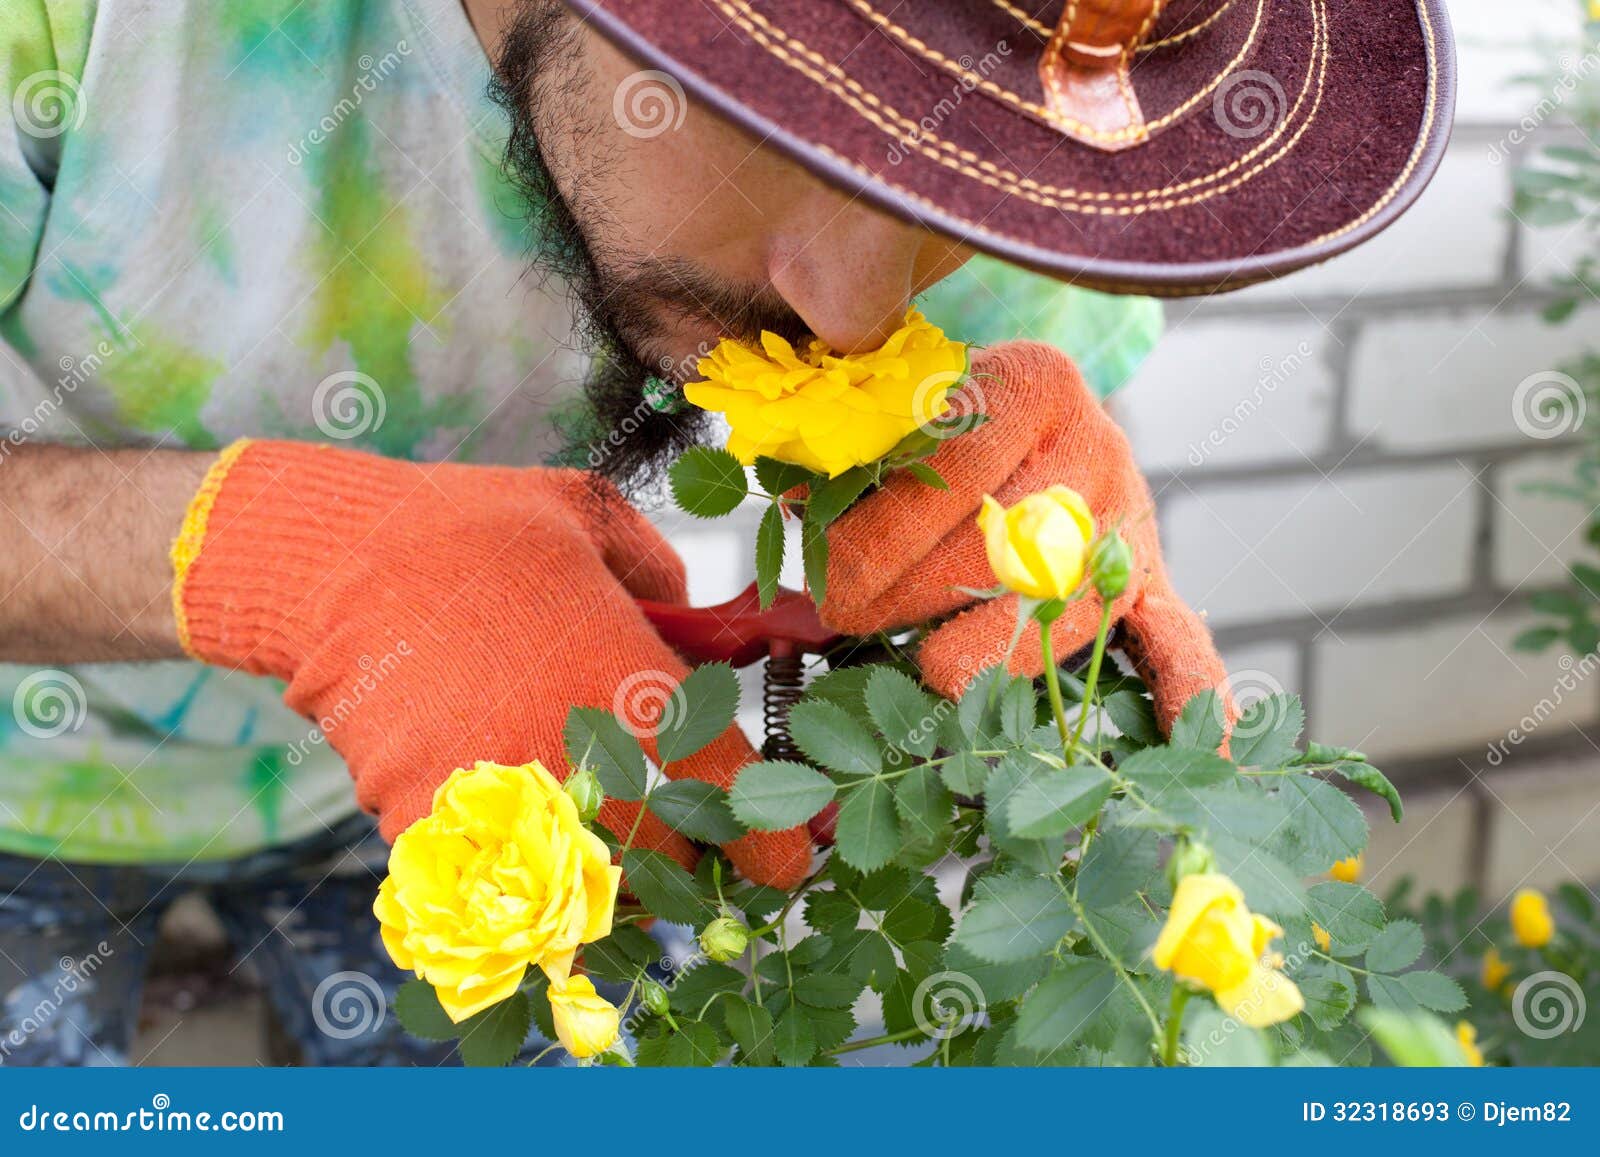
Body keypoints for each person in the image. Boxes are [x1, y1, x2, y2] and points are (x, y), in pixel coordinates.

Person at [0, 0, 1453, 1064]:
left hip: (481, 823)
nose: (852, 302)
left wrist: (987, 589)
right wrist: (290, 557)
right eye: (795, 114)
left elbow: (908, 515)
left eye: (941, 184)